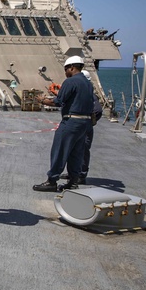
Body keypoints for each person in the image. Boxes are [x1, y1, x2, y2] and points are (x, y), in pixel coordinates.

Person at [33, 56, 94, 192]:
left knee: (60, 150)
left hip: (71, 121)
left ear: (72, 67)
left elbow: (58, 102)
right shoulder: (88, 84)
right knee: (76, 153)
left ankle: (52, 181)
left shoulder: (70, 81)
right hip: (85, 123)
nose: (65, 72)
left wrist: (42, 100)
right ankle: (73, 181)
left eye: (66, 69)